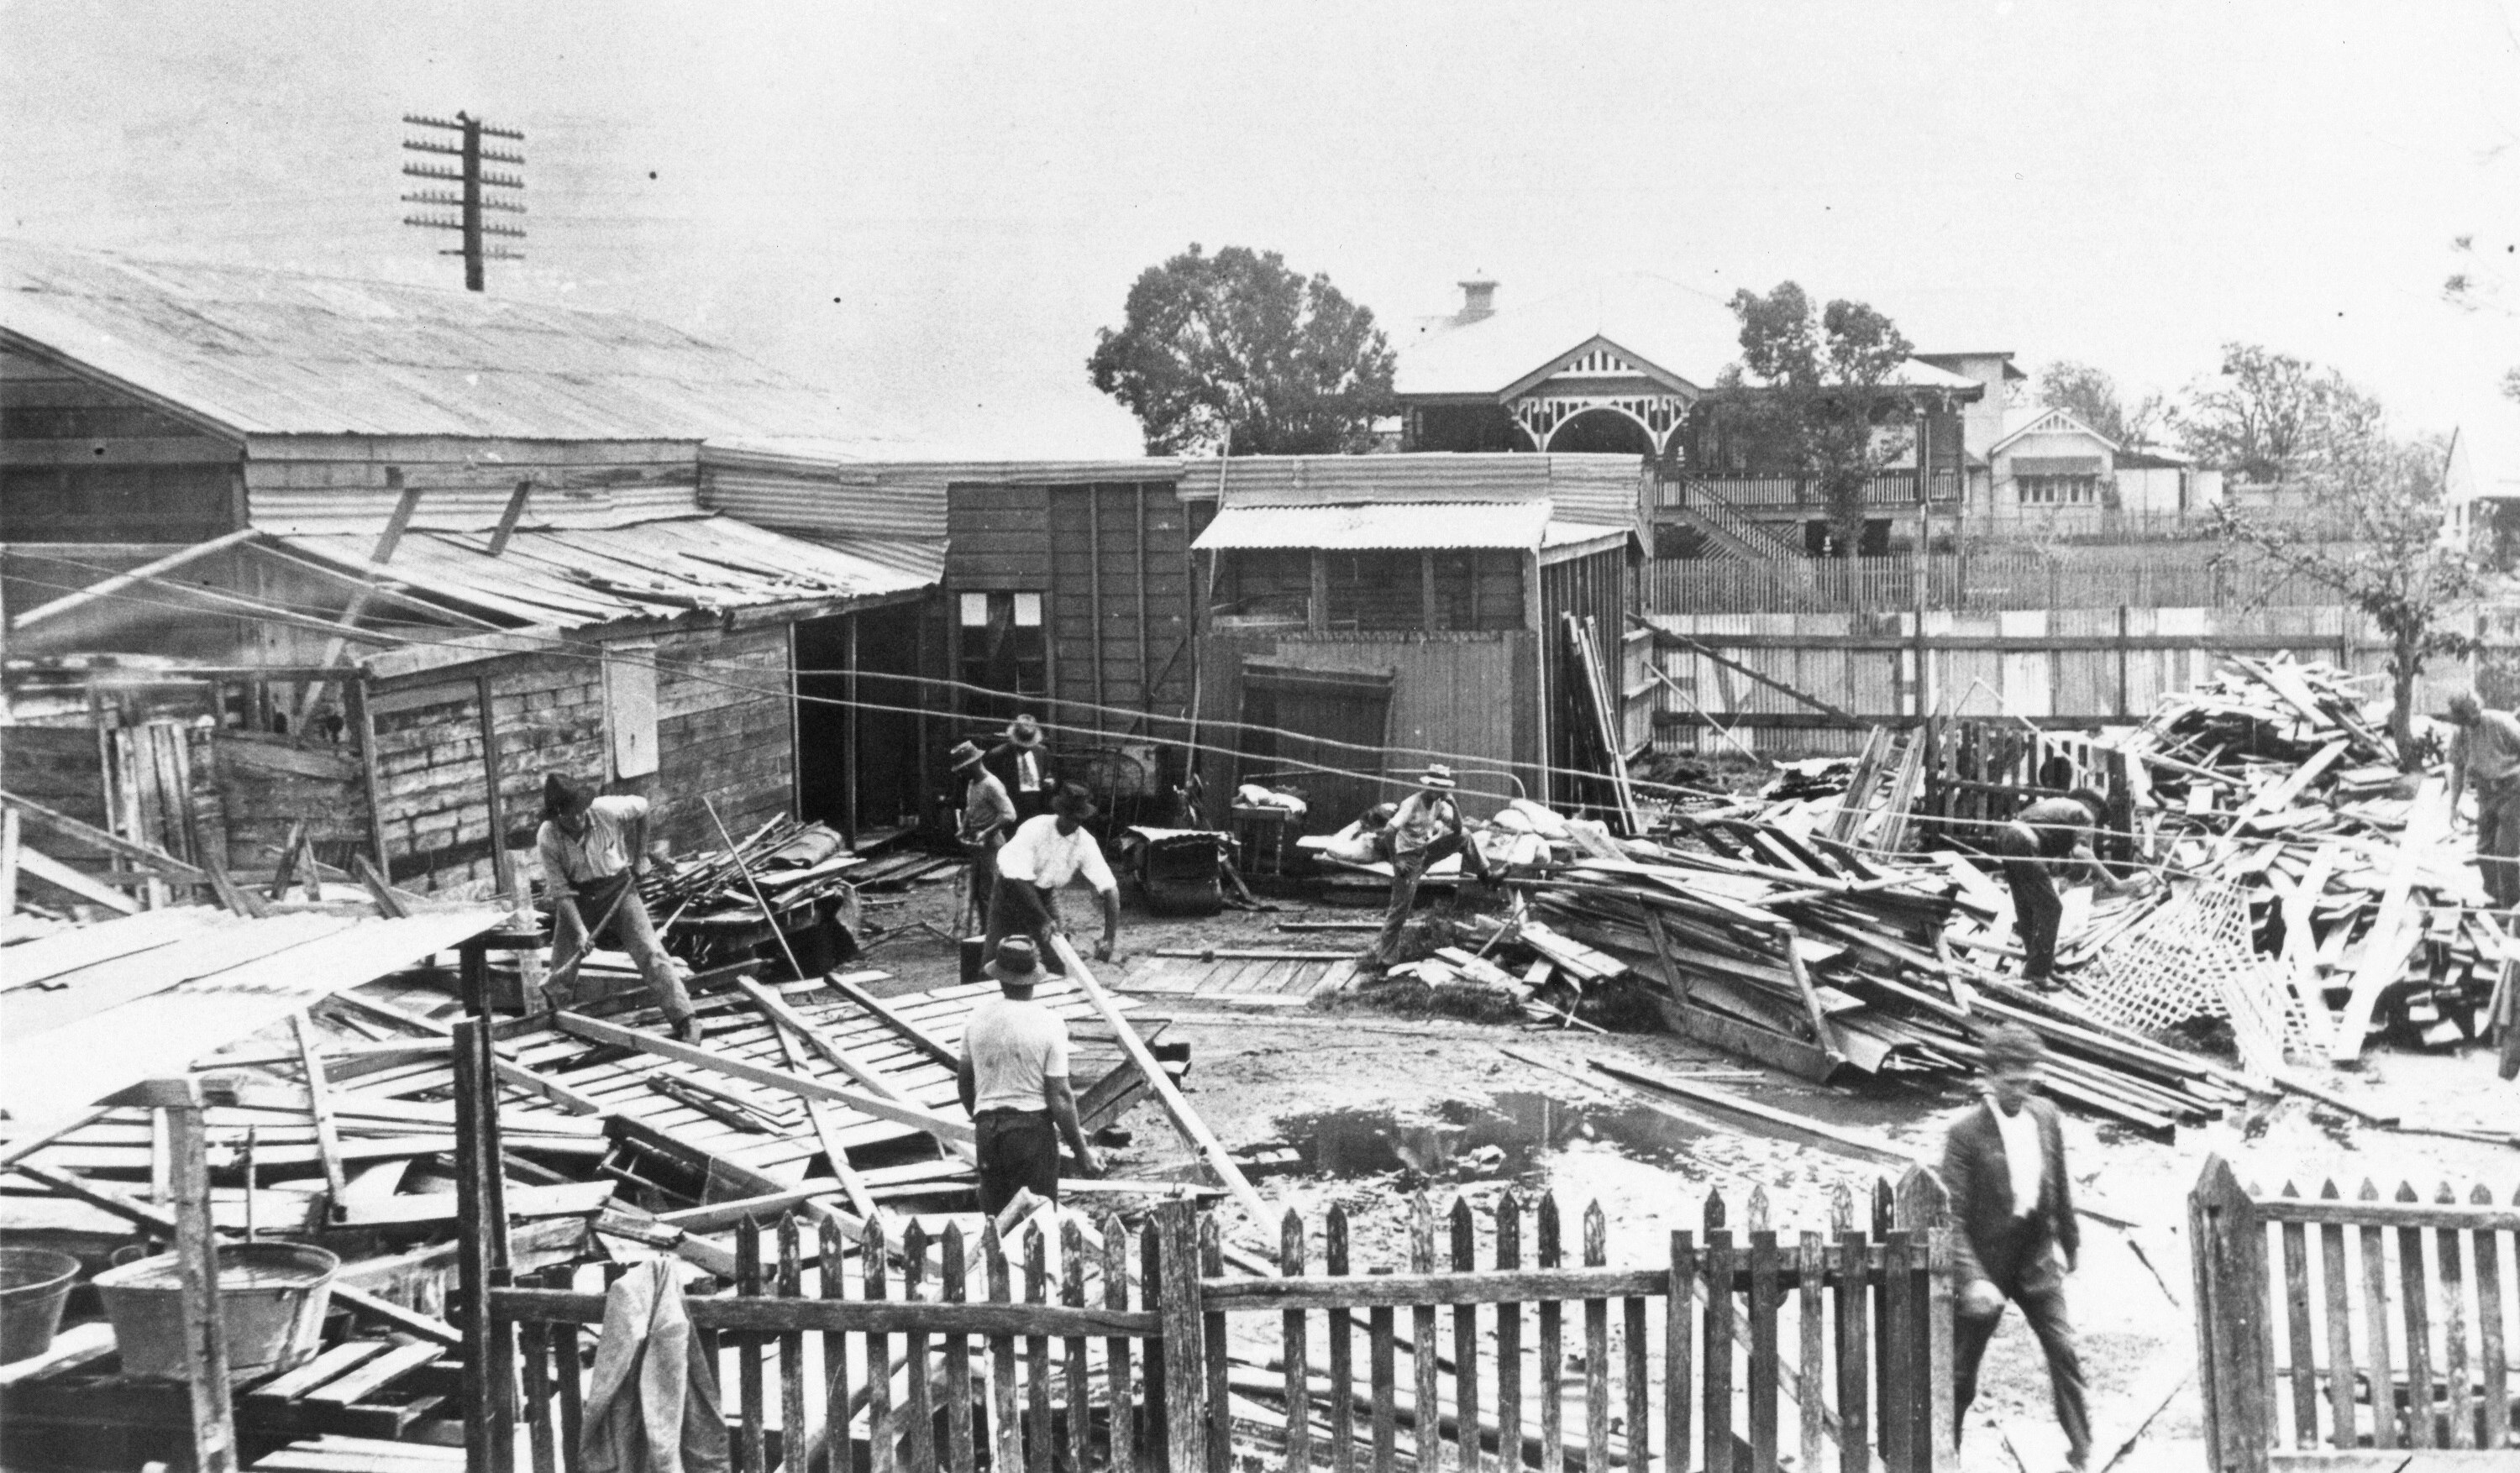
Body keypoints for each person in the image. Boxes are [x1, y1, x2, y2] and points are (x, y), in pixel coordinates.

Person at [1942, 1023, 2090, 1472]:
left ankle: (2082, 1452)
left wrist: (2070, 1243)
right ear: (1988, 1077)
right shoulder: (1965, 1135)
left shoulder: (2046, 1115)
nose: (2020, 1089)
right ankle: (1949, 1451)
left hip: (2036, 1254)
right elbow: (1952, 1219)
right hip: (1988, 1261)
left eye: (2028, 1079)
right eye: (2011, 1080)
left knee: (2064, 1350)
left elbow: (2058, 1185)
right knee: (1962, 1371)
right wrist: (1974, 1281)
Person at [536, 774, 702, 1044]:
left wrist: (641, 855)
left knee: (650, 951)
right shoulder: (548, 837)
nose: (578, 820)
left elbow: (643, 807)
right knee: (561, 967)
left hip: (619, 890)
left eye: (580, 813)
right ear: (556, 816)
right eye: (569, 817)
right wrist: (579, 931)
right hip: (578, 898)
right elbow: (561, 893)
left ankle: (686, 1019)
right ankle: (558, 1020)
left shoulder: (605, 809)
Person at [958, 936, 1104, 1215]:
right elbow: (1060, 1095)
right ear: (1034, 979)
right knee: (1037, 1223)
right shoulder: (1050, 1022)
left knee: (997, 1223)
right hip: (1030, 1133)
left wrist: (984, 1118)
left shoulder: (976, 1018)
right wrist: (1082, 1151)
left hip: (988, 1131)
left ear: (999, 978)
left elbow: (965, 1083)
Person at [1984, 788, 2145, 989]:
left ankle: (2042, 966)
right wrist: (2113, 882)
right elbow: (2081, 852)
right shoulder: (2085, 814)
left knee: (2026, 906)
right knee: (2051, 908)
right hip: (2024, 841)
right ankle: (2036, 972)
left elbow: (2062, 854)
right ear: (2094, 808)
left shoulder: (2057, 807)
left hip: (2007, 836)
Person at [984, 783, 1121, 971]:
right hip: (1010, 892)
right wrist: (1044, 919)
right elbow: (1017, 879)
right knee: (996, 959)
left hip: (1045, 894)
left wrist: (1109, 938)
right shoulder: (1034, 828)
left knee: (1060, 959)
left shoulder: (1085, 843)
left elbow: (1110, 890)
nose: (1073, 824)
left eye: (1078, 820)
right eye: (1069, 818)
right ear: (1060, 813)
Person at [1373, 764, 1494, 962]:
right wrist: (1397, 862)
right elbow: (1389, 830)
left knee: (1464, 835)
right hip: (1408, 860)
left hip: (1425, 853)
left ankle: (1487, 875)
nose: (1437, 790)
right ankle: (1384, 961)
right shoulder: (1412, 803)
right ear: (1427, 785)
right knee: (1399, 911)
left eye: (1441, 787)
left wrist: (1454, 805)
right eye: (1434, 786)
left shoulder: (1438, 804)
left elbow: (1457, 829)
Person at [2444, 690, 2520, 909]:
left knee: (2505, 852)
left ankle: (2513, 908)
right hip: (2487, 794)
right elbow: (2458, 769)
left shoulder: (2501, 722)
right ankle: (2496, 901)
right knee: (2484, 850)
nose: (2472, 720)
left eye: (2474, 713)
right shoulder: (2461, 733)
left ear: (2478, 707)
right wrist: (2453, 805)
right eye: (2466, 718)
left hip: (2513, 790)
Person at [952, 740, 1019, 930]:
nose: (962, 772)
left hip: (992, 844)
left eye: (964, 767)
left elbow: (1009, 814)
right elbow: (970, 808)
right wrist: (964, 827)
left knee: (989, 892)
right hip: (977, 844)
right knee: (978, 891)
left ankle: (993, 932)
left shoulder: (992, 784)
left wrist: (987, 832)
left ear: (974, 762)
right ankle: (985, 930)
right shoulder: (973, 783)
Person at [986, 713, 1058, 824]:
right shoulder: (998, 755)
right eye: (1021, 744)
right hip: (1011, 811)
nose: (1025, 747)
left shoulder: (1042, 752)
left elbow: (1049, 774)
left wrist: (1050, 782)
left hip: (1037, 810)